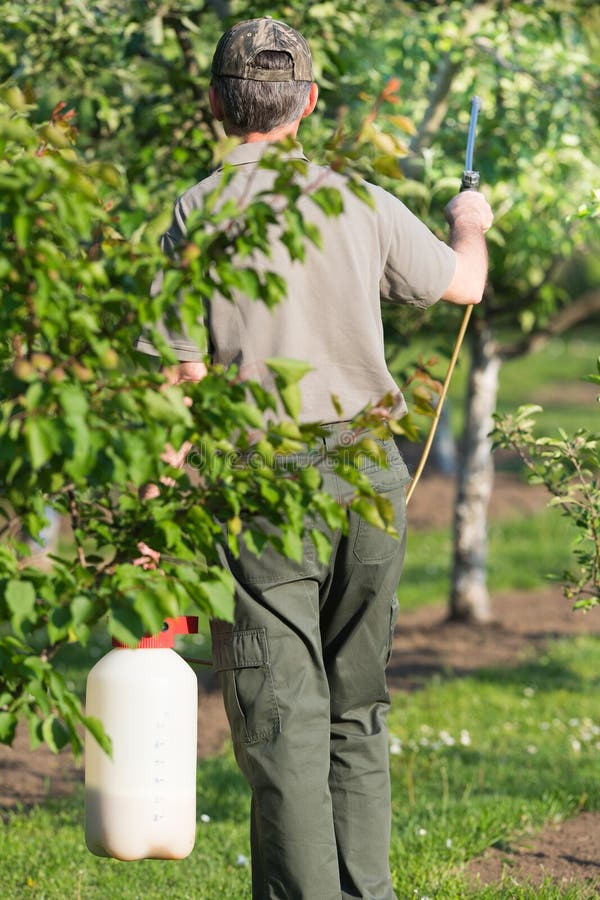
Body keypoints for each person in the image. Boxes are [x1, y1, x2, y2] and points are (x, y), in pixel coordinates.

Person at [137, 17, 493, 900]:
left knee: (281, 724)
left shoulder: (195, 212)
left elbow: (181, 379)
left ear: (216, 103)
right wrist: (470, 219)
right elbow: (464, 283)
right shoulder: (359, 198)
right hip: (370, 481)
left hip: (258, 488)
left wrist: (152, 513)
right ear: (310, 102)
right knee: (356, 711)